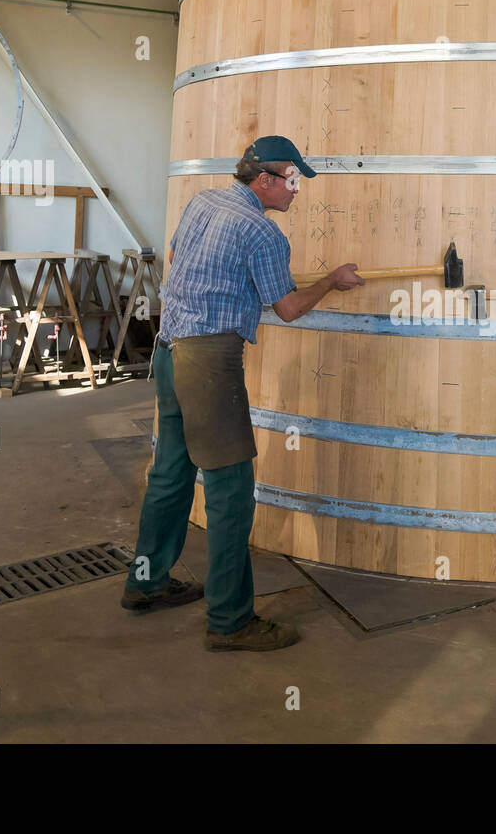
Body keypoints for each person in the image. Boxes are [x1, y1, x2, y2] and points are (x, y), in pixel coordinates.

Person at [120, 135, 364, 652]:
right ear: (265, 180)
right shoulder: (263, 233)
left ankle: (146, 581)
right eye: (293, 180)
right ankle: (230, 620)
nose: (298, 191)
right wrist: (332, 280)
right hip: (208, 363)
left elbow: (175, 254)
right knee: (230, 490)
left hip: (168, 351)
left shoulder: (204, 201)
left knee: (170, 470)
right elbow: (290, 308)